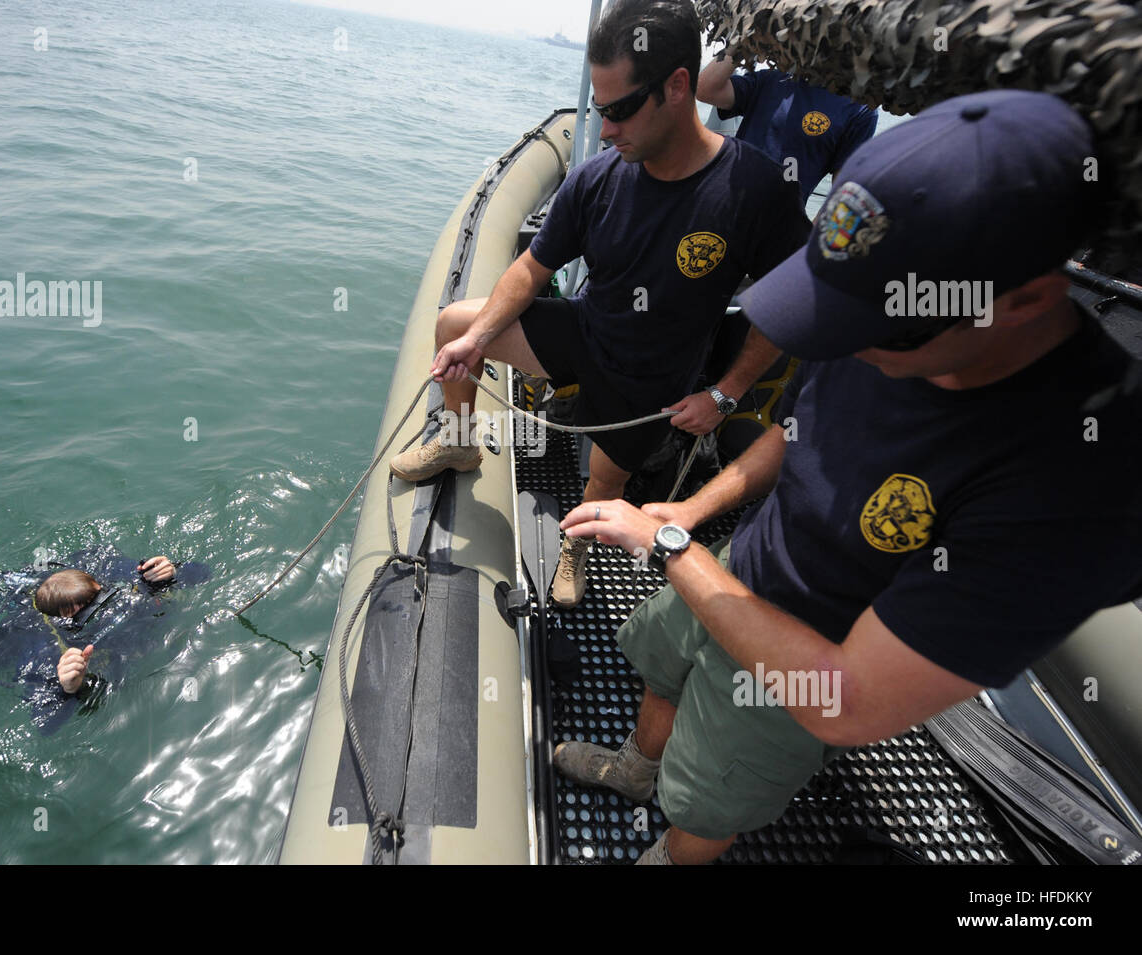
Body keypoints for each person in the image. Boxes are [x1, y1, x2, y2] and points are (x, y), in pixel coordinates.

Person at [551, 89, 1142, 864]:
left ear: (1026, 299)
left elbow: (848, 700)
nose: (842, 342)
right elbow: (795, 435)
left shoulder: (1077, 479)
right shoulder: (874, 317)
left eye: (871, 328)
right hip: (734, 567)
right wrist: (694, 511)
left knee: (708, 799)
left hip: (808, 663)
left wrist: (666, 544)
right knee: (661, 668)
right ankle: (637, 768)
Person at [389, 0, 810, 608]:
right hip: (588, 330)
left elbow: (788, 302)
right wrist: (477, 339)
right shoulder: (596, 178)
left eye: (618, 111)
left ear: (677, 87)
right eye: (600, 110)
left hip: (651, 380)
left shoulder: (755, 189)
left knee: (601, 482)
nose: (605, 129)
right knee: (454, 322)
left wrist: (726, 393)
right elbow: (533, 266)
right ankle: (459, 441)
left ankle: (576, 545)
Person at [0, 546, 210, 734]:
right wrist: (69, 688)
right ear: (68, 622)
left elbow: (203, 573)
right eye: (91, 612)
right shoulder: (43, 651)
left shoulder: (111, 574)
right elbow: (45, 726)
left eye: (103, 597)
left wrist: (169, 574)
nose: (109, 610)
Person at [696, 61, 878, 204]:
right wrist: (743, 41)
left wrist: (808, 243)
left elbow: (842, 192)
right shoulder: (774, 79)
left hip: (780, 229)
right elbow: (705, 89)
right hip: (723, 204)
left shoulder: (859, 109)